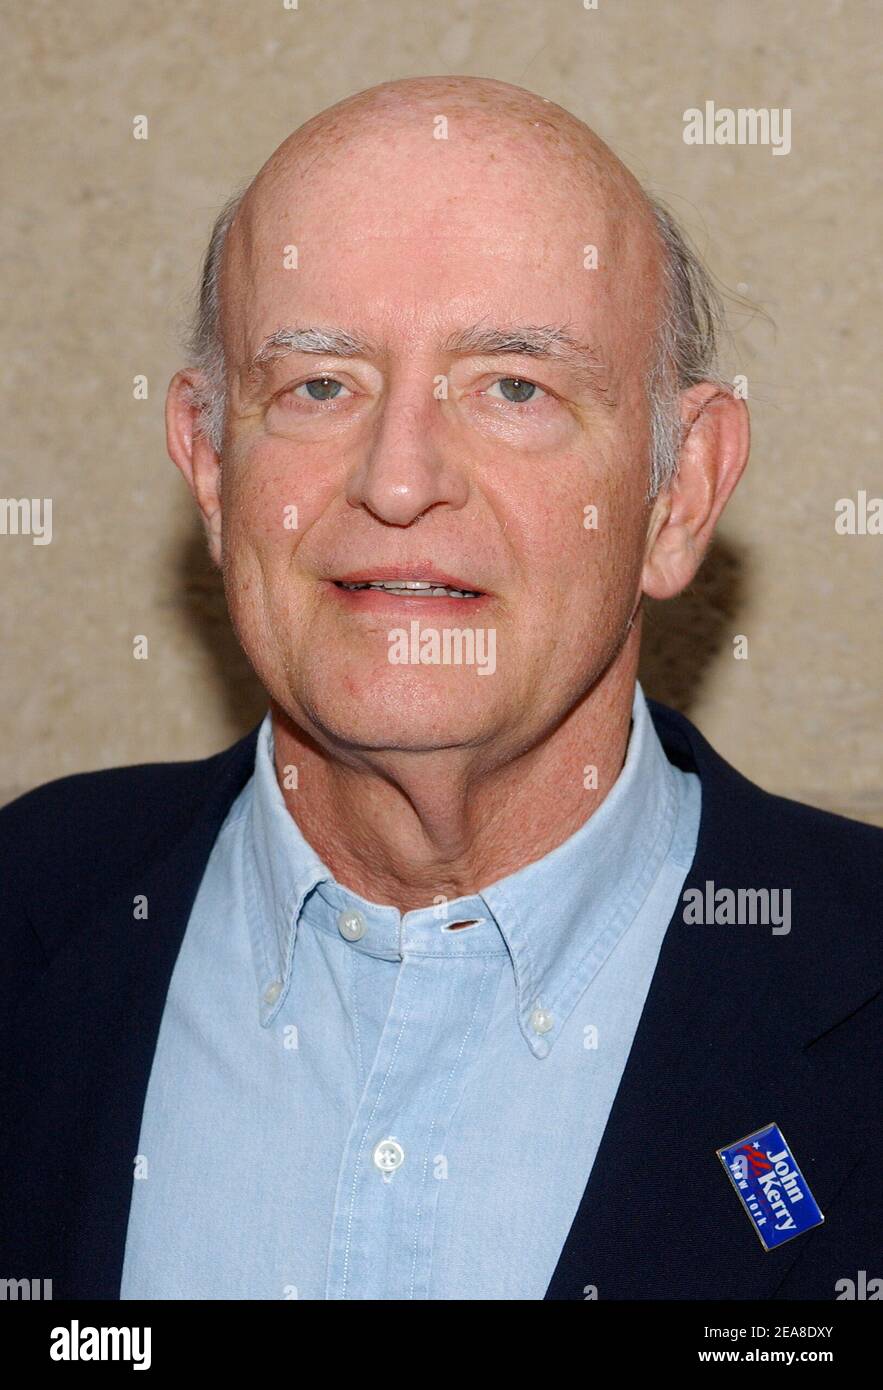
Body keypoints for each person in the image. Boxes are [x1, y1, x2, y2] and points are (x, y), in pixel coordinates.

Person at [1, 76, 879, 1301]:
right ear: (209, 467)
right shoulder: (26, 923)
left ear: (677, 496)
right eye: (318, 385)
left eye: (515, 387)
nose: (399, 479)